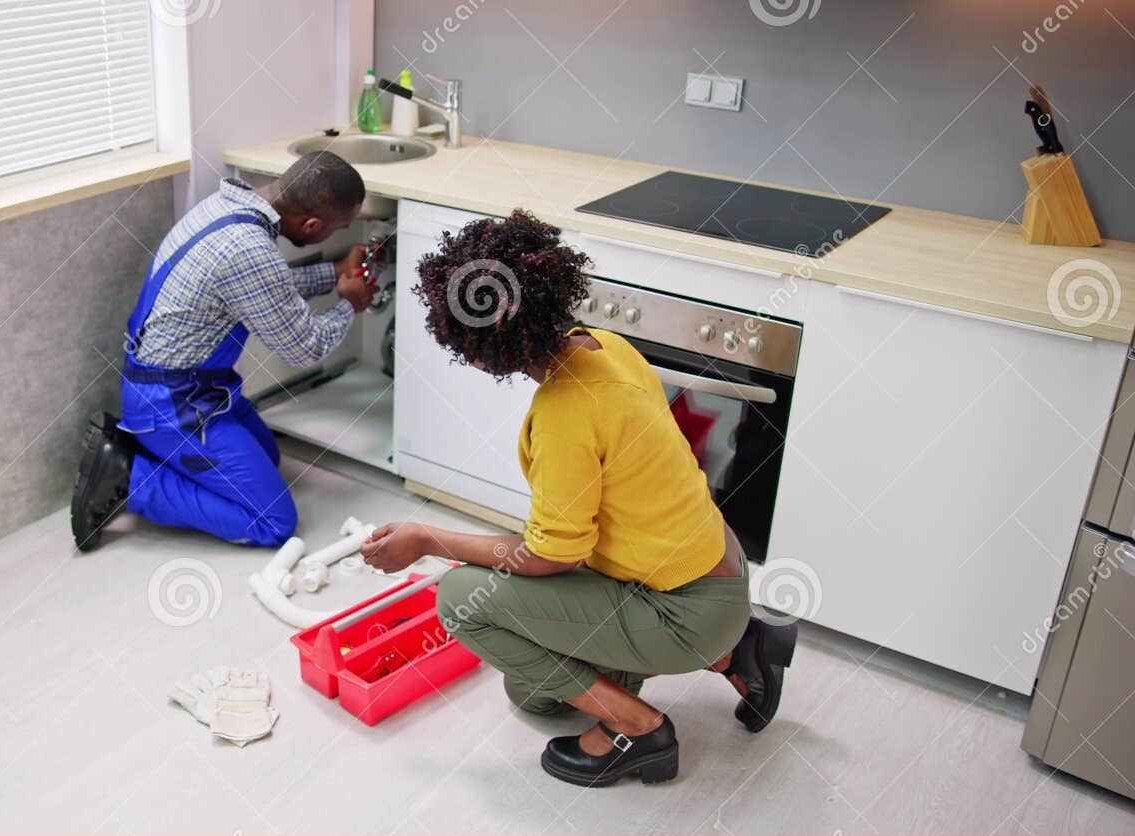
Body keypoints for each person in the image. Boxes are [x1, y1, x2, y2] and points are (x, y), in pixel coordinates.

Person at [359, 210, 796, 788]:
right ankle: (739, 645)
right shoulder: (604, 346)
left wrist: (428, 538)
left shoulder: (566, 413)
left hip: (683, 608)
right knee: (537, 696)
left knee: (461, 597)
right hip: (718, 568)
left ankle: (640, 730)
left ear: (479, 347)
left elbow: (552, 556)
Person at [72, 152, 377, 551]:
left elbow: (265, 291)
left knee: (268, 459)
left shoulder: (226, 209)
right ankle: (131, 475)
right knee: (274, 522)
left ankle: (154, 453)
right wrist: (349, 305)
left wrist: (336, 271)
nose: (335, 234)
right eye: (338, 229)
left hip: (189, 391)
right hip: (173, 407)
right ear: (312, 225)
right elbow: (306, 347)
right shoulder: (249, 250)